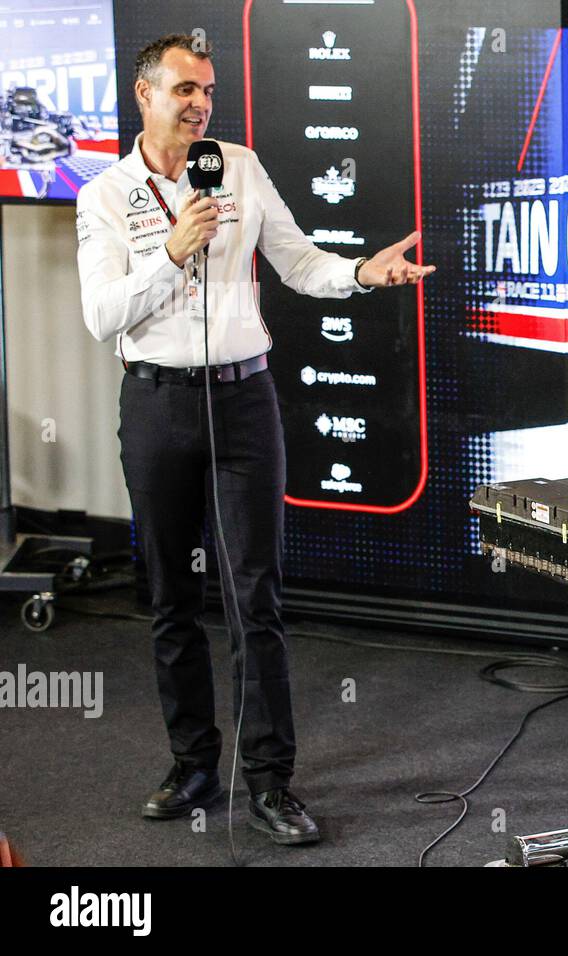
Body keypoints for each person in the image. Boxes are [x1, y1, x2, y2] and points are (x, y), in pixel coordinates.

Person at [75, 34, 433, 845]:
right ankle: (192, 762)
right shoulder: (102, 193)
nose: (200, 103)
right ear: (144, 95)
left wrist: (359, 275)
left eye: (206, 89)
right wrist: (172, 252)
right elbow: (101, 317)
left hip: (245, 403)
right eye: (183, 90)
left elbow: (299, 263)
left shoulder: (236, 165)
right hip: (159, 406)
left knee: (254, 599)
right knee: (170, 598)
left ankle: (271, 782)